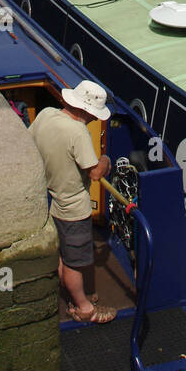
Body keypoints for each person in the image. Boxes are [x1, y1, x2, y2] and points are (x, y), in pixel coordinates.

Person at [29, 81, 117, 323]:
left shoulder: (46, 115)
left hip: (48, 196)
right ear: (87, 112)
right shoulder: (78, 132)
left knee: (62, 255)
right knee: (74, 262)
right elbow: (95, 172)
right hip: (72, 207)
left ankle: (73, 295)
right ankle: (83, 307)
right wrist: (107, 160)